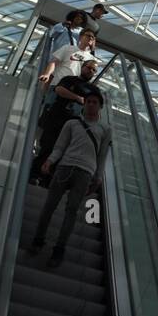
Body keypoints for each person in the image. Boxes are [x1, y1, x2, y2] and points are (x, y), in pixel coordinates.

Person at [30, 86, 110, 267]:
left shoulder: (105, 129)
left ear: (100, 107)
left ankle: (59, 250)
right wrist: (50, 161)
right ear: (84, 104)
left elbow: (102, 154)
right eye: (88, 102)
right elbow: (60, 146)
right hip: (64, 167)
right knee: (49, 206)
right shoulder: (72, 124)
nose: (90, 105)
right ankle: (38, 240)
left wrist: (98, 177)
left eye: (94, 102)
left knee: (72, 211)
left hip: (85, 172)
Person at [31, 58, 99, 183]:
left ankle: (48, 180)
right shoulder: (69, 79)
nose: (90, 71)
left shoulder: (94, 90)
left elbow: (97, 107)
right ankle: (35, 174)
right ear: (82, 67)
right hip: (56, 119)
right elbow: (59, 90)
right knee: (47, 146)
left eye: (94, 70)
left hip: (75, 125)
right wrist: (78, 98)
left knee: (63, 152)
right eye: (89, 67)